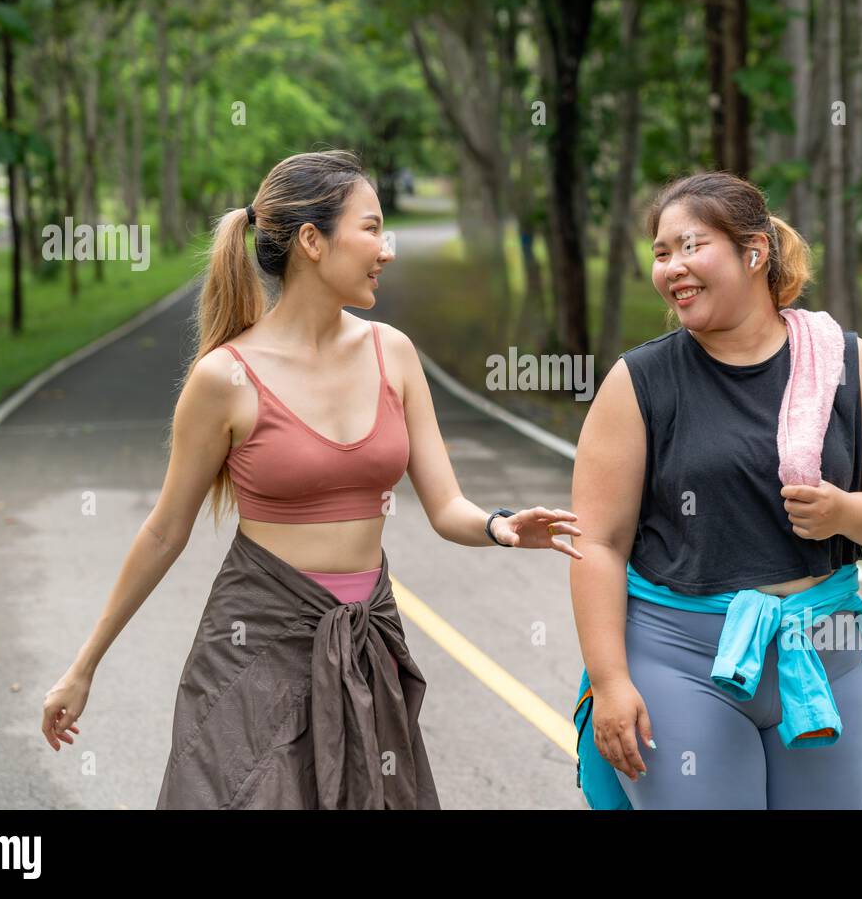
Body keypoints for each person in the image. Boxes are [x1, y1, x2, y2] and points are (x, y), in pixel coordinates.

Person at [39, 149, 581, 808]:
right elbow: (163, 532)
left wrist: (500, 527)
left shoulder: (394, 354)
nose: (387, 249)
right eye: (373, 228)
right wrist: (82, 667)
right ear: (312, 241)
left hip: (366, 644)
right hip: (255, 647)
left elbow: (446, 506)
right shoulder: (224, 379)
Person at [568, 170, 862, 809]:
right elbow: (597, 543)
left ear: (753, 252)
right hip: (682, 662)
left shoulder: (849, 365)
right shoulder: (640, 382)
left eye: (691, 246)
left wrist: (845, 511)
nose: (672, 267)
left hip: (823, 655)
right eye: (661, 253)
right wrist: (609, 681)